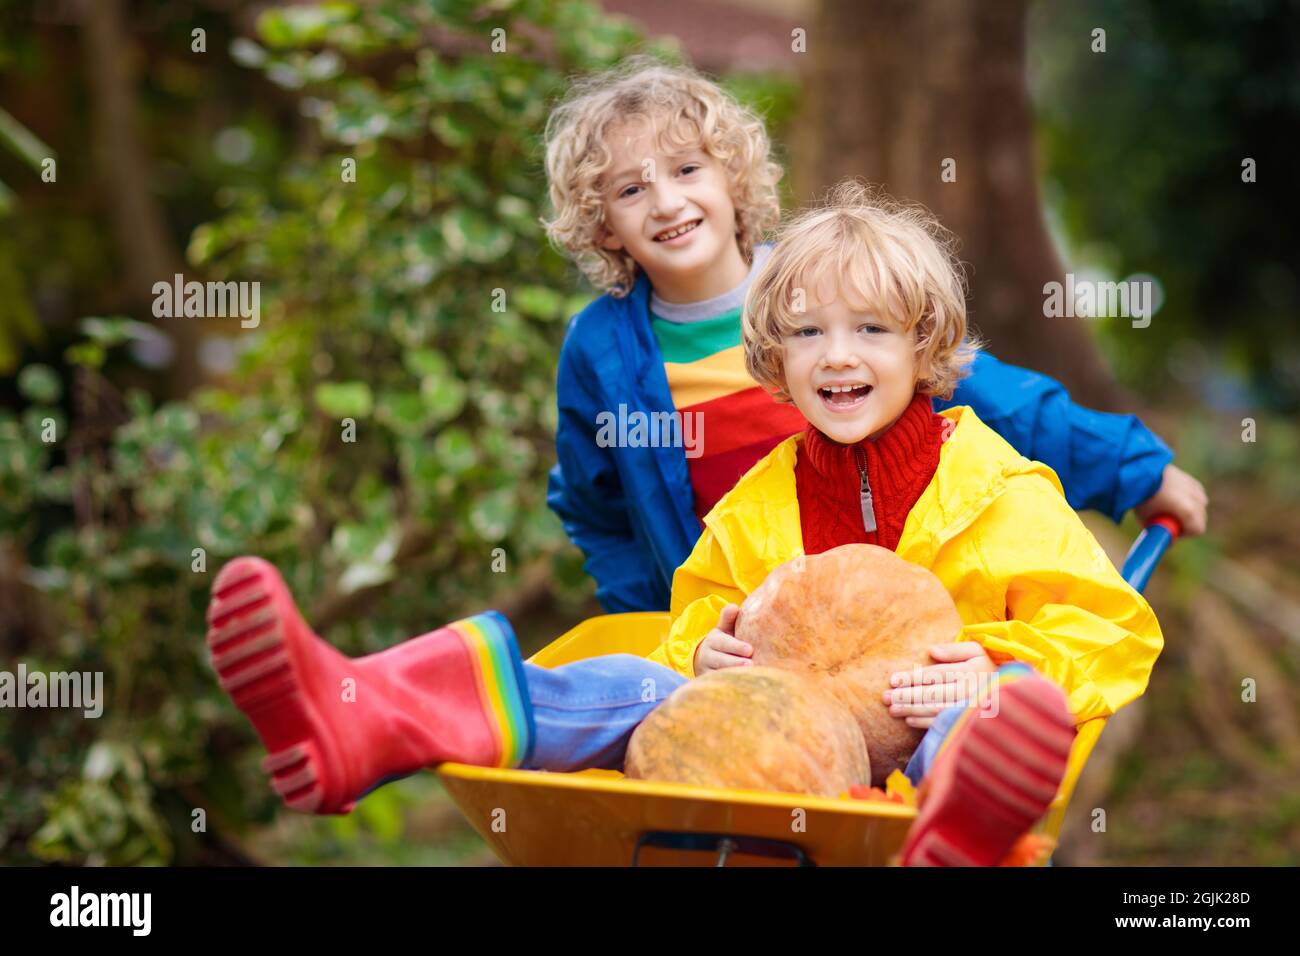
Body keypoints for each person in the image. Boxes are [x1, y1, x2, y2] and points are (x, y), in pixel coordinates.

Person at [207, 183, 1164, 866]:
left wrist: (995, 659)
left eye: (872, 330)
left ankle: (962, 836)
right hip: (769, 747)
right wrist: (705, 649)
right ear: (772, 357)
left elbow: (1110, 624)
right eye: (807, 333)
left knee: (979, 715)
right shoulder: (759, 503)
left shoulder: (997, 489)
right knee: (630, 676)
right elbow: (690, 616)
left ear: (927, 351)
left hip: (911, 756)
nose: (838, 357)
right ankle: (378, 719)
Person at [541, 57, 1207, 614]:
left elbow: (990, 391)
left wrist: (1130, 469)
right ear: (603, 226)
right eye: (630, 190)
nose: (665, 202)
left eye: (687, 171)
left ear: (733, 179)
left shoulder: (822, 287)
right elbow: (595, 504)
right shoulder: (603, 352)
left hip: (893, 595)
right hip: (743, 629)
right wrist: (659, 617)